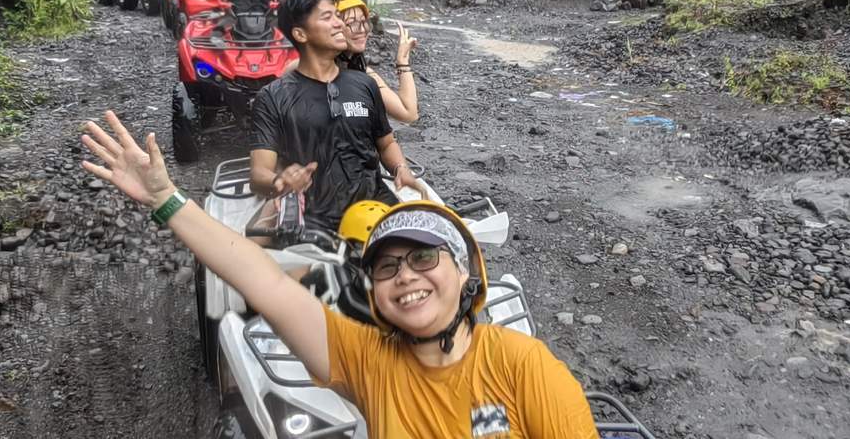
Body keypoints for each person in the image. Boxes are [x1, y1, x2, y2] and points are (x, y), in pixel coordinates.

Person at [79, 115, 600, 438]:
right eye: (387, 266)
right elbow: (264, 280)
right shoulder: (366, 361)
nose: (405, 276)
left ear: (466, 273)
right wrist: (166, 199)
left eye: (423, 258)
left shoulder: (522, 364)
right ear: (373, 289)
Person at [248, 0, 420, 234]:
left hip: (372, 206)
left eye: (338, 16)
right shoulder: (273, 96)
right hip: (311, 218)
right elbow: (258, 174)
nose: (340, 24)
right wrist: (279, 180)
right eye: (328, 17)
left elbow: (386, 144)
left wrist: (401, 168)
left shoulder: (365, 84)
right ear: (300, 34)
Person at [335, 0, 420, 124]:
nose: (362, 29)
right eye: (351, 23)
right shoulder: (317, 73)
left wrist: (402, 61)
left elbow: (408, 114)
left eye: (363, 21)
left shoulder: (363, 72)